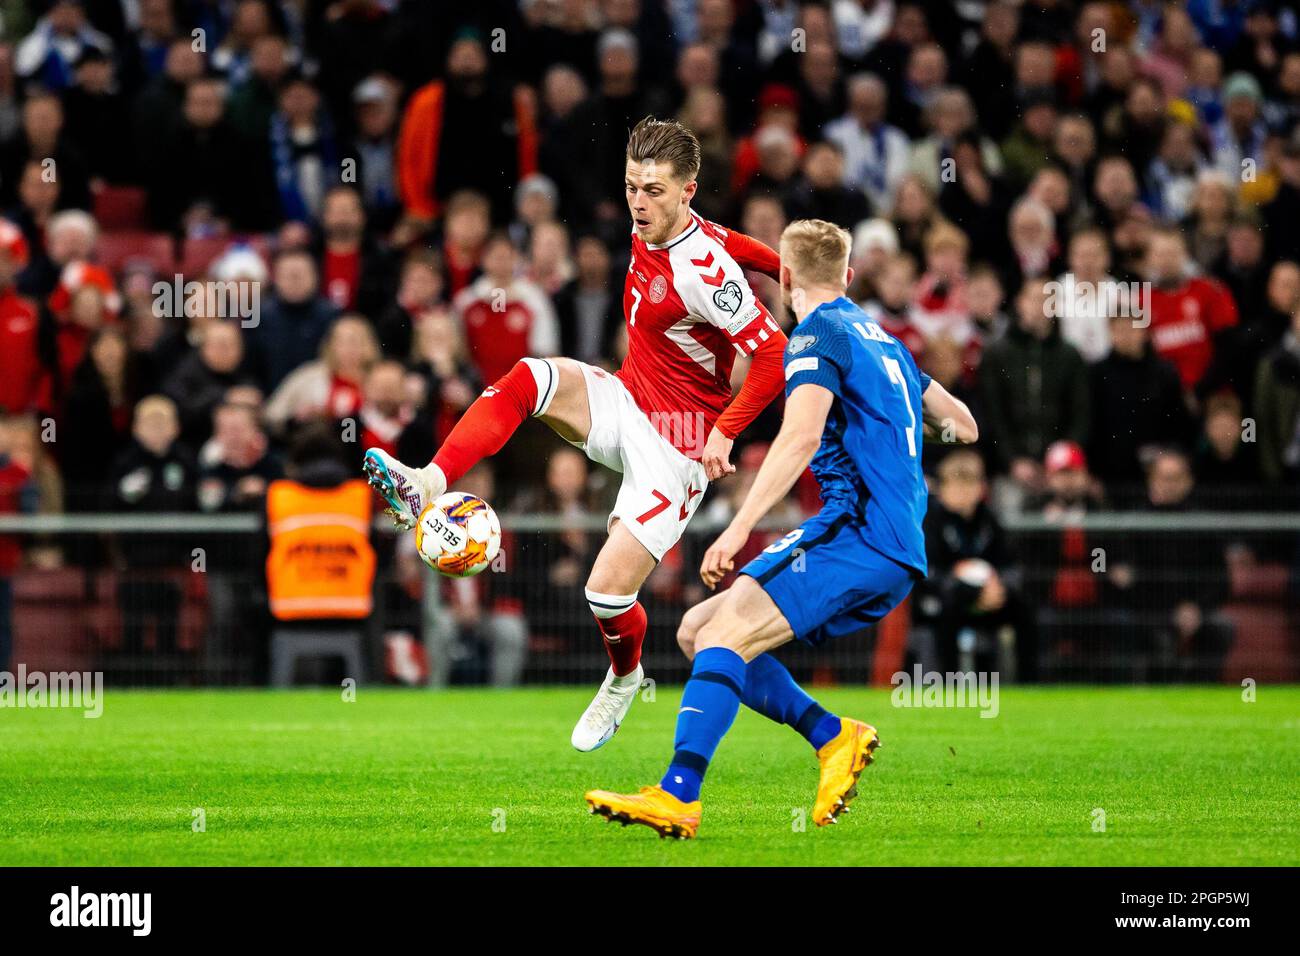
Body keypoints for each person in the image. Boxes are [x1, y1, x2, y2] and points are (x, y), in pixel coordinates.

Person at [365, 117, 790, 752]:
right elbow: (730, 239)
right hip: (628, 397)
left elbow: (774, 355)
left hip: (678, 448)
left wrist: (726, 433)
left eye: (652, 190)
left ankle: (625, 677)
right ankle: (427, 480)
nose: (638, 203)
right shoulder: (671, 224)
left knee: (604, 594)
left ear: (687, 190)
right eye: (630, 187)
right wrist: (785, 267)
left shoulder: (705, 273)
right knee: (530, 377)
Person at [584, 218, 977, 839]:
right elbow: (962, 424)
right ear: (847, 277)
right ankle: (833, 736)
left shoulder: (814, 339)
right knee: (699, 629)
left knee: (727, 634)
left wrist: (736, 529)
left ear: (784, 277)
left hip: (858, 530)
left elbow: (798, 439)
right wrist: (888, 427)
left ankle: (678, 794)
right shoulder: (884, 341)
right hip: (893, 540)